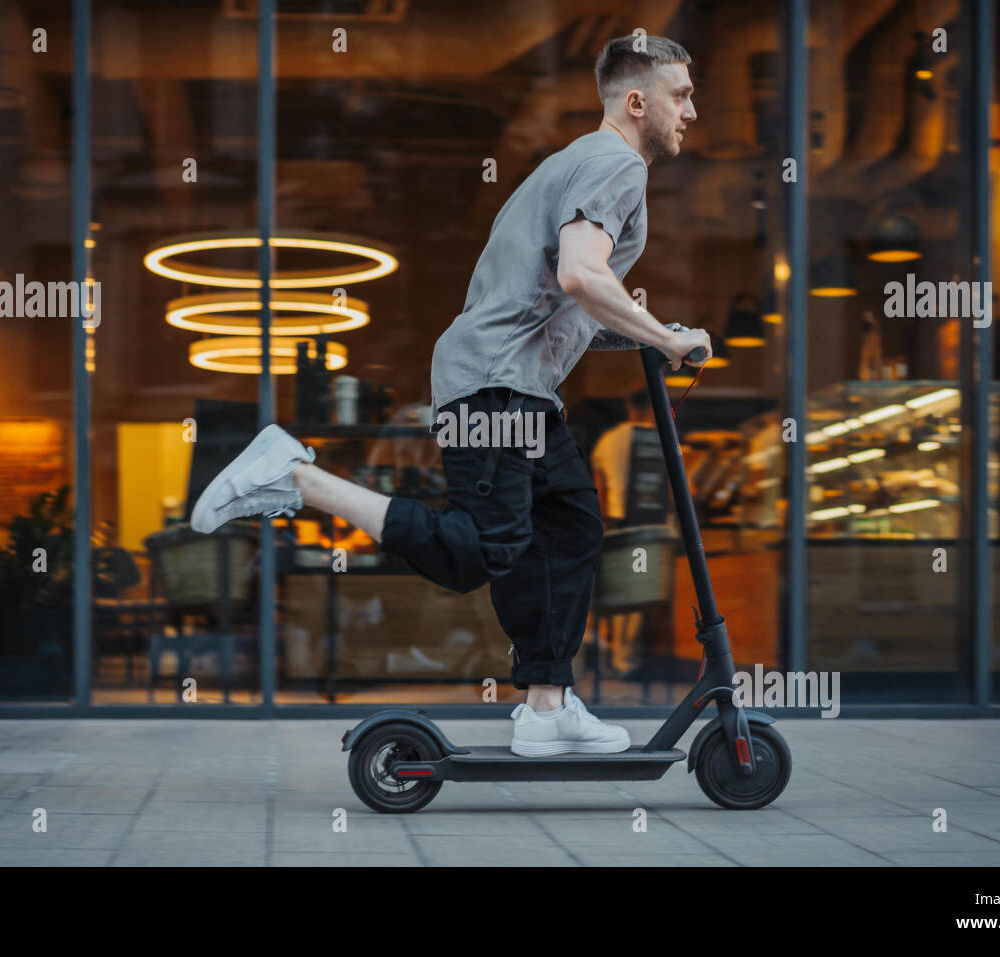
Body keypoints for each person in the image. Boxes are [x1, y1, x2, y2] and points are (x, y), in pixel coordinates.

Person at [191, 34, 710, 755]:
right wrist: (663, 335)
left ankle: (546, 705)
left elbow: (561, 299)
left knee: (571, 528)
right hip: (496, 383)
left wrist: (655, 334)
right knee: (479, 549)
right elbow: (583, 278)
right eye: (680, 94)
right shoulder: (615, 163)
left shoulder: (573, 163)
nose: (692, 109)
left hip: (518, 386)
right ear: (635, 101)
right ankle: (297, 476)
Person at [590, 380, 671, 677]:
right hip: (646, 526)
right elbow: (677, 489)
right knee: (636, 596)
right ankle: (625, 660)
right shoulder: (662, 439)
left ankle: (610, 650)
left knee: (613, 590)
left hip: (613, 524)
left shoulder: (608, 440)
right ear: (652, 406)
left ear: (629, 406)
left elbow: (597, 488)